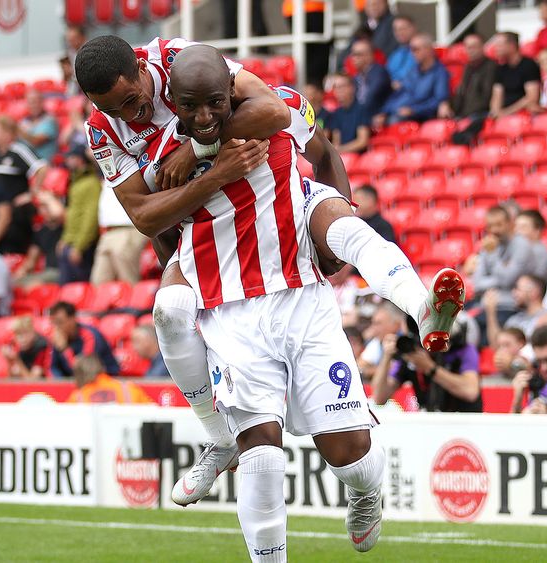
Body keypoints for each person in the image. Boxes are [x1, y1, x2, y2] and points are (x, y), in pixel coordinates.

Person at [75, 35, 463, 511]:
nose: (129, 116)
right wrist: (203, 157)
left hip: (281, 226)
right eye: (112, 109)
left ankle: (420, 307)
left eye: (133, 102)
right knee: (170, 311)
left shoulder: (188, 63)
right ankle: (218, 438)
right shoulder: (106, 130)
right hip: (207, 240)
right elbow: (146, 217)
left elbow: (303, 135)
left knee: (344, 227)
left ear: (147, 74)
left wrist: (335, 207)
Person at [161, 46, 388, 557]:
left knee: (348, 456)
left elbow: (326, 153)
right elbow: (159, 223)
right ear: (173, 102)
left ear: (233, 90)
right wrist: (187, 272)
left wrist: (334, 220)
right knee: (259, 450)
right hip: (234, 308)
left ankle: (367, 490)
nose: (204, 117)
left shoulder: (282, 106)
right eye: (190, 105)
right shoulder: (161, 151)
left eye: (214, 102)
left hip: (300, 289)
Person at [372, 315, 481, 412]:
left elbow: (470, 391)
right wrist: (386, 357)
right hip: (429, 422)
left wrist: (429, 367)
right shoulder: (412, 353)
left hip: (463, 422)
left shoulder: (463, 350)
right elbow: (379, 398)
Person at [470, 205, 536, 334]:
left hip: (512, 307)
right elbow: (477, 283)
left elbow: (507, 279)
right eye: (490, 226)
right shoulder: (489, 246)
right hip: (486, 305)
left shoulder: (521, 245)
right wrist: (499, 276)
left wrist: (493, 254)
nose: (494, 230)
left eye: (499, 224)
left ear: (510, 223)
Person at [0, 115, 48, 255]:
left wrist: (31, 194)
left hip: (16, 210)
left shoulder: (18, 150)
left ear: (7, 134)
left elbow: (42, 168)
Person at [373, 33, 448, 127]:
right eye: (411, 50)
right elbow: (398, 94)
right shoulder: (412, 71)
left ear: (428, 50)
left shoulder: (440, 73)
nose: (412, 53)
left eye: (415, 49)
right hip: (399, 111)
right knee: (373, 121)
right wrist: (384, 112)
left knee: (393, 121)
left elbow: (438, 100)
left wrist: (414, 110)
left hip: (419, 116)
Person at [440, 33, 497, 146]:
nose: (470, 50)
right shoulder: (468, 68)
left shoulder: (492, 67)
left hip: (480, 113)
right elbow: (460, 94)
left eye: (473, 47)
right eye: (467, 47)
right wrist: (446, 103)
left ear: (482, 47)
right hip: (463, 113)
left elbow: (487, 96)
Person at [91, 176, 148, 285]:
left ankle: (134, 302)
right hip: (107, 232)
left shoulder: (130, 165)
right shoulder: (106, 167)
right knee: (99, 283)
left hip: (127, 228)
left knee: (128, 280)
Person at [57, 146, 100, 284]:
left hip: (81, 246)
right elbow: (72, 215)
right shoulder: (76, 182)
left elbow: (90, 217)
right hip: (71, 244)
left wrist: (80, 246)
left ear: (79, 159)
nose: (67, 161)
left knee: (79, 288)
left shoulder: (91, 183)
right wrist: (65, 239)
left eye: (70, 157)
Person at [49, 301, 120, 378]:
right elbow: (52, 367)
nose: (57, 327)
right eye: (54, 323)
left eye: (60, 322)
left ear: (73, 318)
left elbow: (83, 370)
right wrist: (60, 382)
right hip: (76, 381)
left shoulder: (90, 335)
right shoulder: (59, 336)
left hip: (105, 381)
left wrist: (64, 349)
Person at [483, 274, 547, 344]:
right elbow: (497, 345)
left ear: (534, 293)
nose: (513, 293)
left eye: (518, 289)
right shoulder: (514, 319)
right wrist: (491, 312)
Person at [489, 32, 540, 119]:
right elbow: (496, 96)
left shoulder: (529, 65)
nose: (496, 49)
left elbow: (532, 97)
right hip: (504, 115)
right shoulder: (500, 68)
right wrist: (495, 112)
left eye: (499, 45)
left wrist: (506, 113)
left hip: (523, 115)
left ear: (512, 45)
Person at [67, 354, 154, 404]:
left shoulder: (77, 398)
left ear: (78, 376)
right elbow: (153, 413)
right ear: (102, 369)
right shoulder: (130, 389)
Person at [326, 74, 372, 154]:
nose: (338, 91)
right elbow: (336, 141)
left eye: (342, 86)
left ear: (352, 88)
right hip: (344, 156)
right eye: (336, 87)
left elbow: (362, 142)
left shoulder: (362, 109)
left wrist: (340, 150)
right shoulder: (336, 113)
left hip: (359, 156)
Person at [349, 38, 392, 117]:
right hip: (362, 117)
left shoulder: (379, 73)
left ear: (369, 56)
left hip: (377, 116)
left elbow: (371, 98)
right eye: (353, 54)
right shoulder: (356, 77)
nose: (353, 58)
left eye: (357, 54)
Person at [2, 316, 51, 380]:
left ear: (33, 332)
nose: (21, 339)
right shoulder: (20, 348)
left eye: (25, 333)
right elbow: (11, 379)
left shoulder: (42, 347)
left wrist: (17, 360)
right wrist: (9, 361)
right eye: (18, 334)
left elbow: (33, 380)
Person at [19, 90, 60, 163]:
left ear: (42, 102)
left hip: (43, 163)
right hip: (25, 163)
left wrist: (17, 131)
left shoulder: (49, 120)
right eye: (30, 102)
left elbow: (36, 141)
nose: (33, 105)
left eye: (35, 101)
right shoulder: (24, 121)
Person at [514, 209, 547, 280]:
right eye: (516, 226)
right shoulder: (518, 249)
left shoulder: (540, 254)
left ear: (537, 231)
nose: (517, 232)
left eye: (523, 227)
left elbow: (535, 283)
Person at [385, 16, 417, 88]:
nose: (399, 33)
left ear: (413, 28)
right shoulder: (395, 54)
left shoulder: (422, 51)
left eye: (402, 29)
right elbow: (386, 75)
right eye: (396, 30)